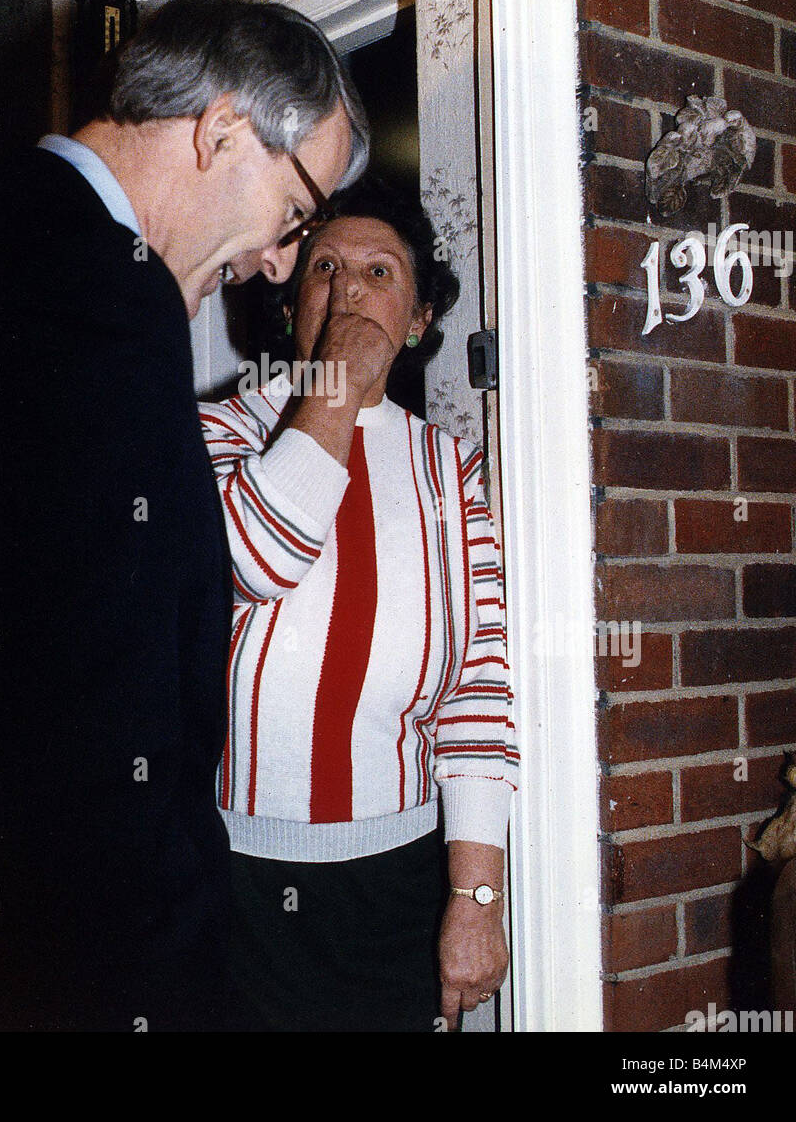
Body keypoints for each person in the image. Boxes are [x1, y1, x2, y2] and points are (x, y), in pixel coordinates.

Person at [0, 0, 368, 1031]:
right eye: (299, 214)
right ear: (224, 129)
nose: (282, 263)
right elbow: (112, 721)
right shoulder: (103, 293)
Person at [200, 180, 519, 1032]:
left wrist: (478, 897)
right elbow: (256, 557)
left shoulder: (455, 473)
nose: (347, 290)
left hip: (399, 889)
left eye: (380, 271)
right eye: (325, 269)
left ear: (416, 321)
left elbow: (477, 697)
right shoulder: (216, 434)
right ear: (290, 303)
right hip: (230, 882)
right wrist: (337, 387)